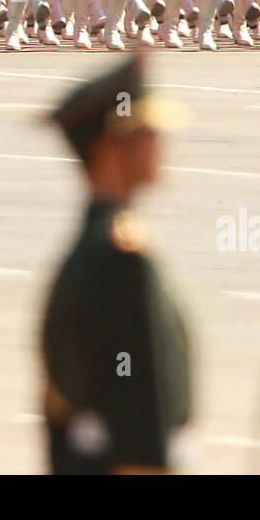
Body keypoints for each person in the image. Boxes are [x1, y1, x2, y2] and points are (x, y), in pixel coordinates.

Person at [40, 53, 192, 475]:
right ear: (111, 148)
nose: (161, 143)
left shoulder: (96, 247)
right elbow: (136, 407)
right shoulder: (121, 261)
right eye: (147, 133)